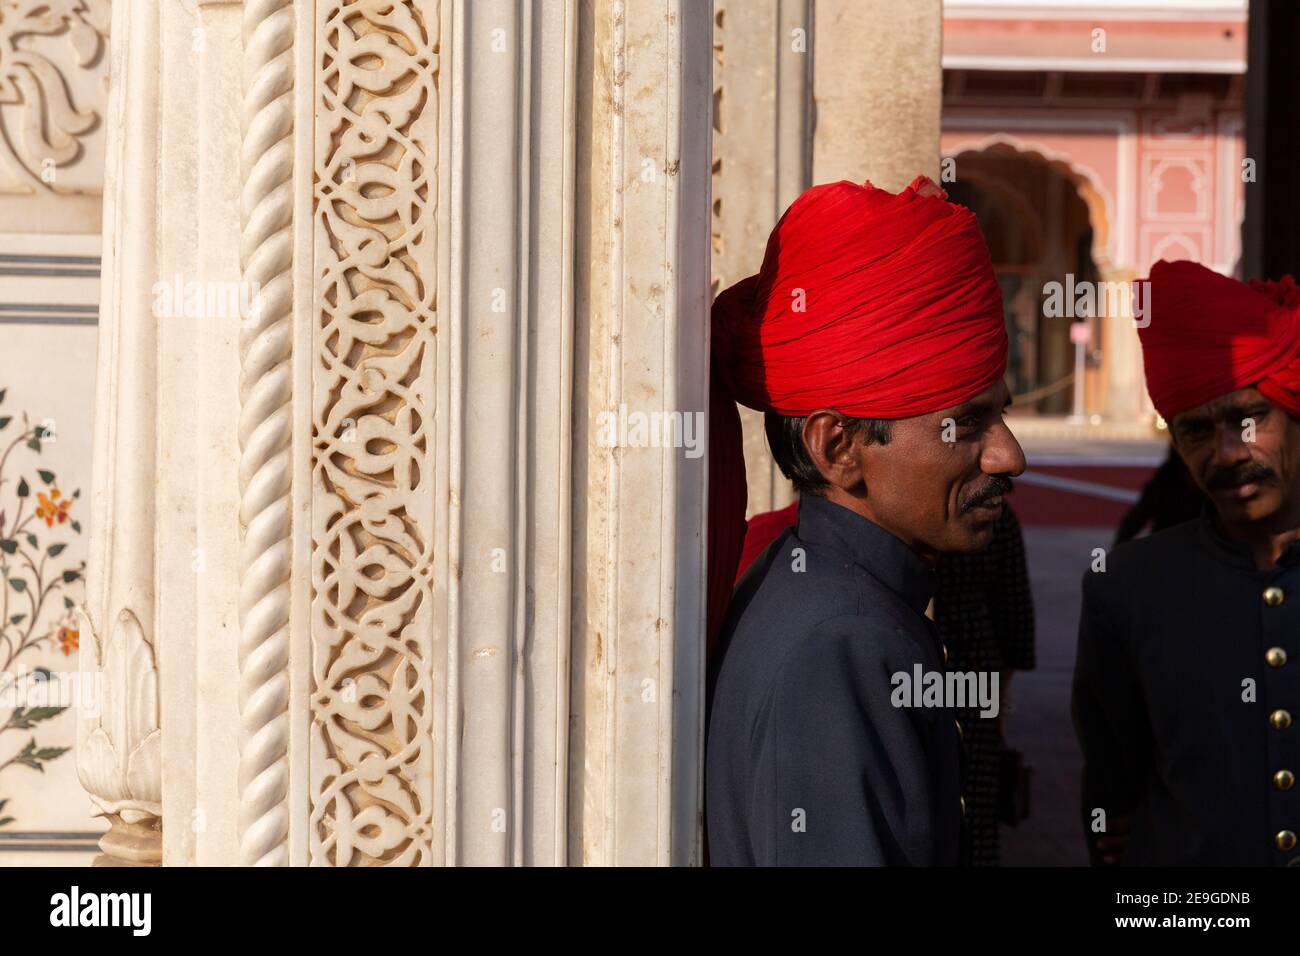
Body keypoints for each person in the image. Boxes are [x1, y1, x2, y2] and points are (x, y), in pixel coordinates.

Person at [705, 176, 1026, 866]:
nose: (1008, 455)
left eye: (1002, 415)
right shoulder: (844, 646)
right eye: (966, 424)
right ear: (839, 448)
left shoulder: (824, 590)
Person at [1073, 260, 1300, 866]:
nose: (1227, 455)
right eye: (1196, 430)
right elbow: (1111, 797)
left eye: (1249, 421)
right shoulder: (1129, 587)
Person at [730, 498, 1036, 866]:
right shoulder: (848, 633)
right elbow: (1015, 624)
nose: (1005, 459)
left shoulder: (780, 548)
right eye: (956, 436)